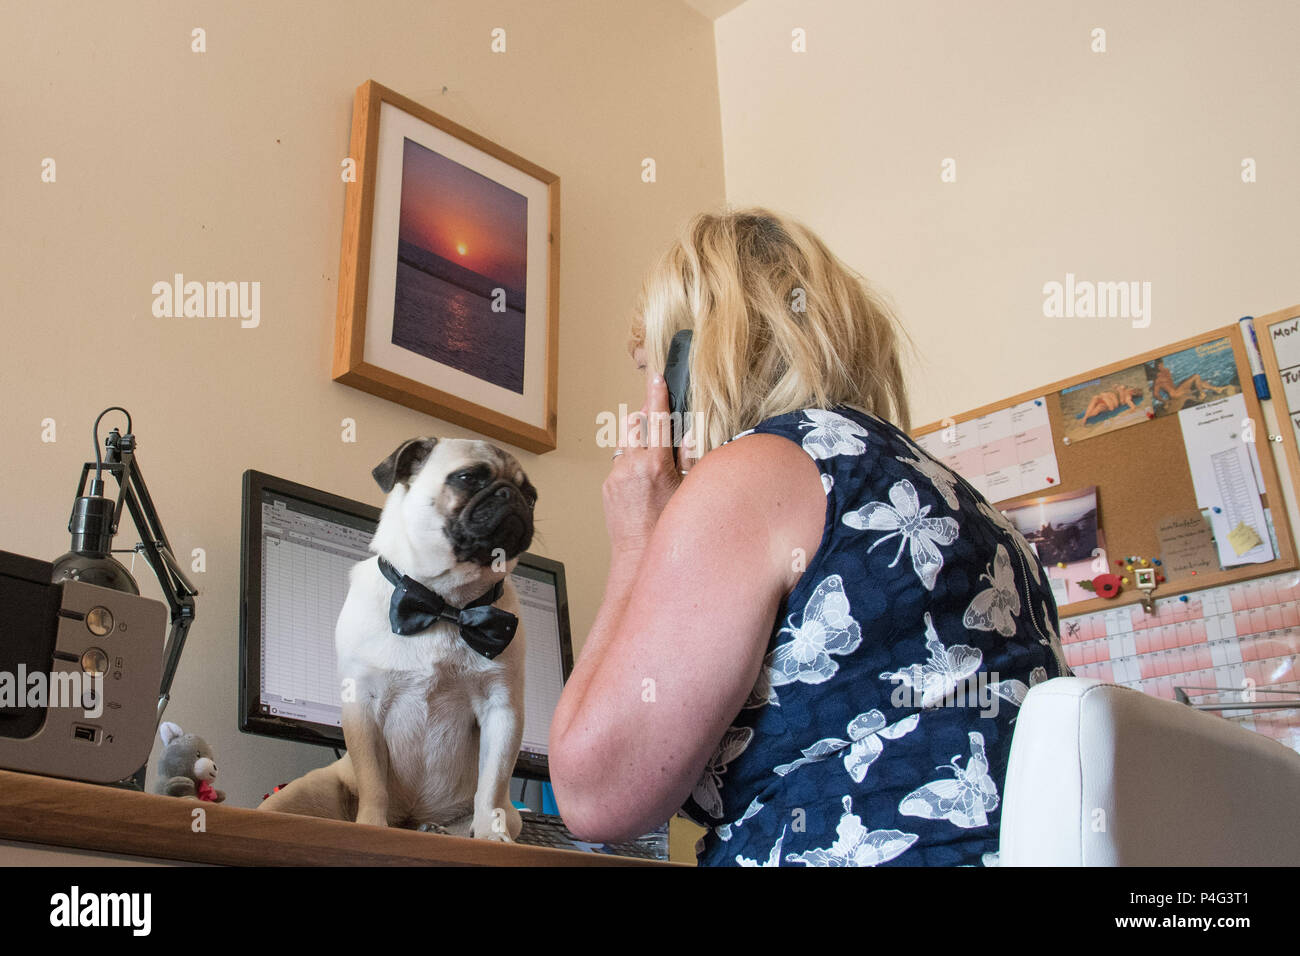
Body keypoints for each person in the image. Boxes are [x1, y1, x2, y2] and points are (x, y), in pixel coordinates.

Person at [547, 208, 1071, 867]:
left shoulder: (752, 474)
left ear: (688, 366)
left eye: (651, 369)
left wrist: (634, 543)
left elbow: (594, 798)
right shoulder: (965, 505)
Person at [1150, 357, 1231, 404]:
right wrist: (1165, 402)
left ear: (1162, 364)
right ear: (1155, 366)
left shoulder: (1166, 370)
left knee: (1200, 383)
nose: (1159, 366)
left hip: (1177, 389)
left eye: (1160, 364)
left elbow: (1169, 384)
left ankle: (1217, 389)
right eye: (1157, 365)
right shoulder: (1157, 379)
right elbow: (1155, 394)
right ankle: (1202, 394)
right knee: (1196, 376)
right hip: (1175, 394)